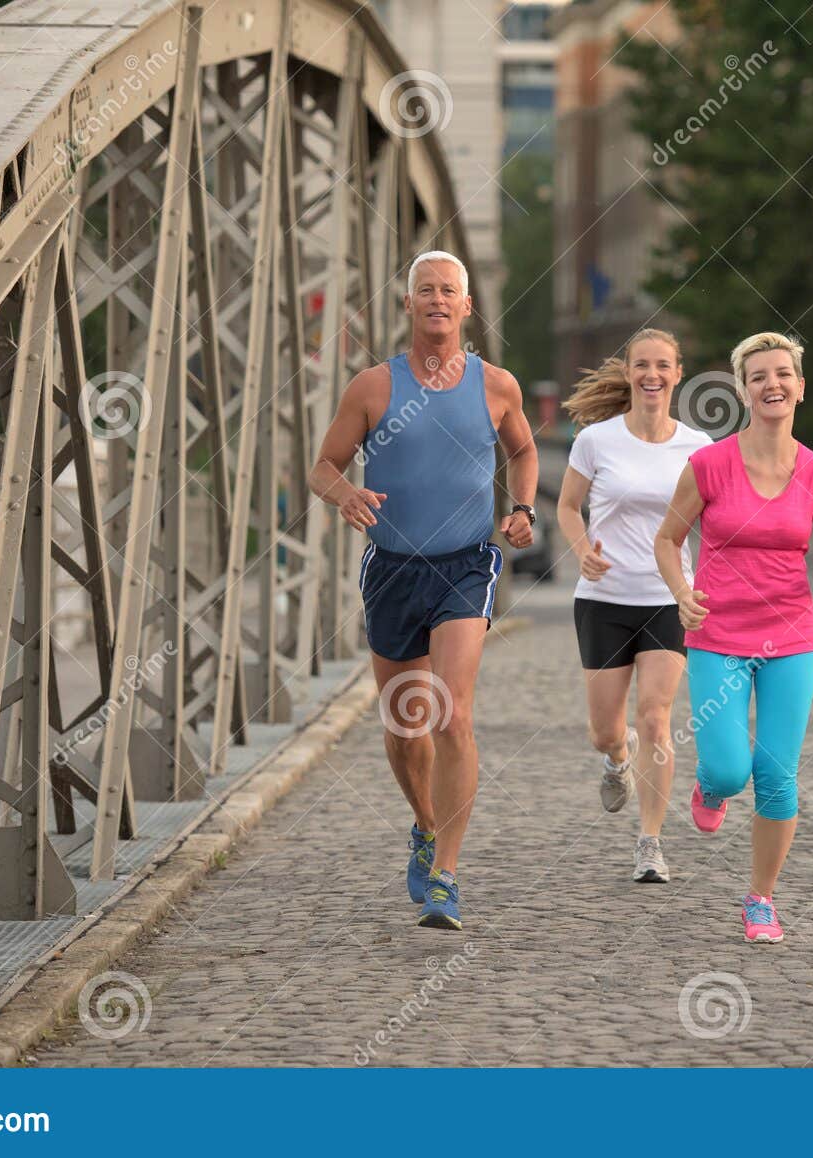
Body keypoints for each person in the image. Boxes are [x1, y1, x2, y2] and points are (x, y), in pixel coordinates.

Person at [308, 250, 538, 930]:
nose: (438, 300)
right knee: (407, 724)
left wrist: (521, 509)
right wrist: (346, 492)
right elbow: (323, 465)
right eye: (426, 290)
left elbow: (523, 450)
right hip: (392, 570)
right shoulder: (373, 388)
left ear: (468, 308)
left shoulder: (497, 387)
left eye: (451, 291)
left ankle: (446, 877)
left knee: (452, 715)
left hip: (466, 564)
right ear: (407, 305)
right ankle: (424, 825)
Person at [654, 332, 813, 943]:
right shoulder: (710, 465)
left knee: (776, 774)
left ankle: (761, 899)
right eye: (760, 377)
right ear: (744, 391)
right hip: (717, 634)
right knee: (726, 769)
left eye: (783, 375)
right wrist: (682, 593)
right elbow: (668, 539)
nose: (773, 385)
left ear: (800, 387)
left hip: (791, 639)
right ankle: (709, 787)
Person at [556, 329, 711, 883]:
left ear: (677, 373)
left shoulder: (697, 447)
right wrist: (582, 553)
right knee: (606, 729)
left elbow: (714, 523)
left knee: (655, 717)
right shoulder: (597, 440)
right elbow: (569, 507)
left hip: (668, 598)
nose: (652, 374)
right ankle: (614, 759)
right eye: (642, 365)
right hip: (603, 599)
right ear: (628, 372)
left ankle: (650, 842)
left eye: (662, 365)